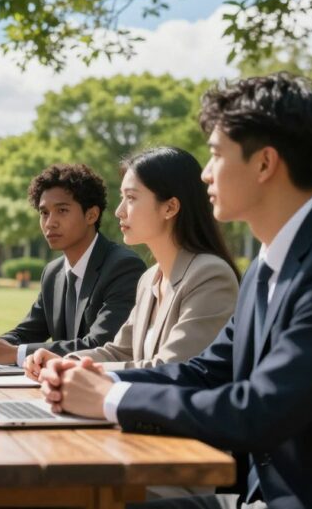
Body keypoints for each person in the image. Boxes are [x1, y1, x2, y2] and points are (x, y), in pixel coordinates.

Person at [39, 73, 312, 509]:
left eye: (215, 155)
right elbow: (205, 370)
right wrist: (99, 377)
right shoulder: (266, 266)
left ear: (265, 164)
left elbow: (261, 410)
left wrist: (111, 398)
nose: (206, 174)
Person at [23, 147, 239, 379]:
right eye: (122, 198)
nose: (119, 211)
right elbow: (121, 352)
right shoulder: (149, 279)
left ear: (170, 207)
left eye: (131, 198)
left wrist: (80, 372)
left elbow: (171, 368)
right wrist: (65, 362)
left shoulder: (210, 276)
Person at [0, 163, 146, 366]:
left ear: (91, 215)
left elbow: (100, 344)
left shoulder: (123, 267)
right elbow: (28, 332)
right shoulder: (53, 273)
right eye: (44, 213)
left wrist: (16, 354)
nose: (50, 223)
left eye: (62, 210)